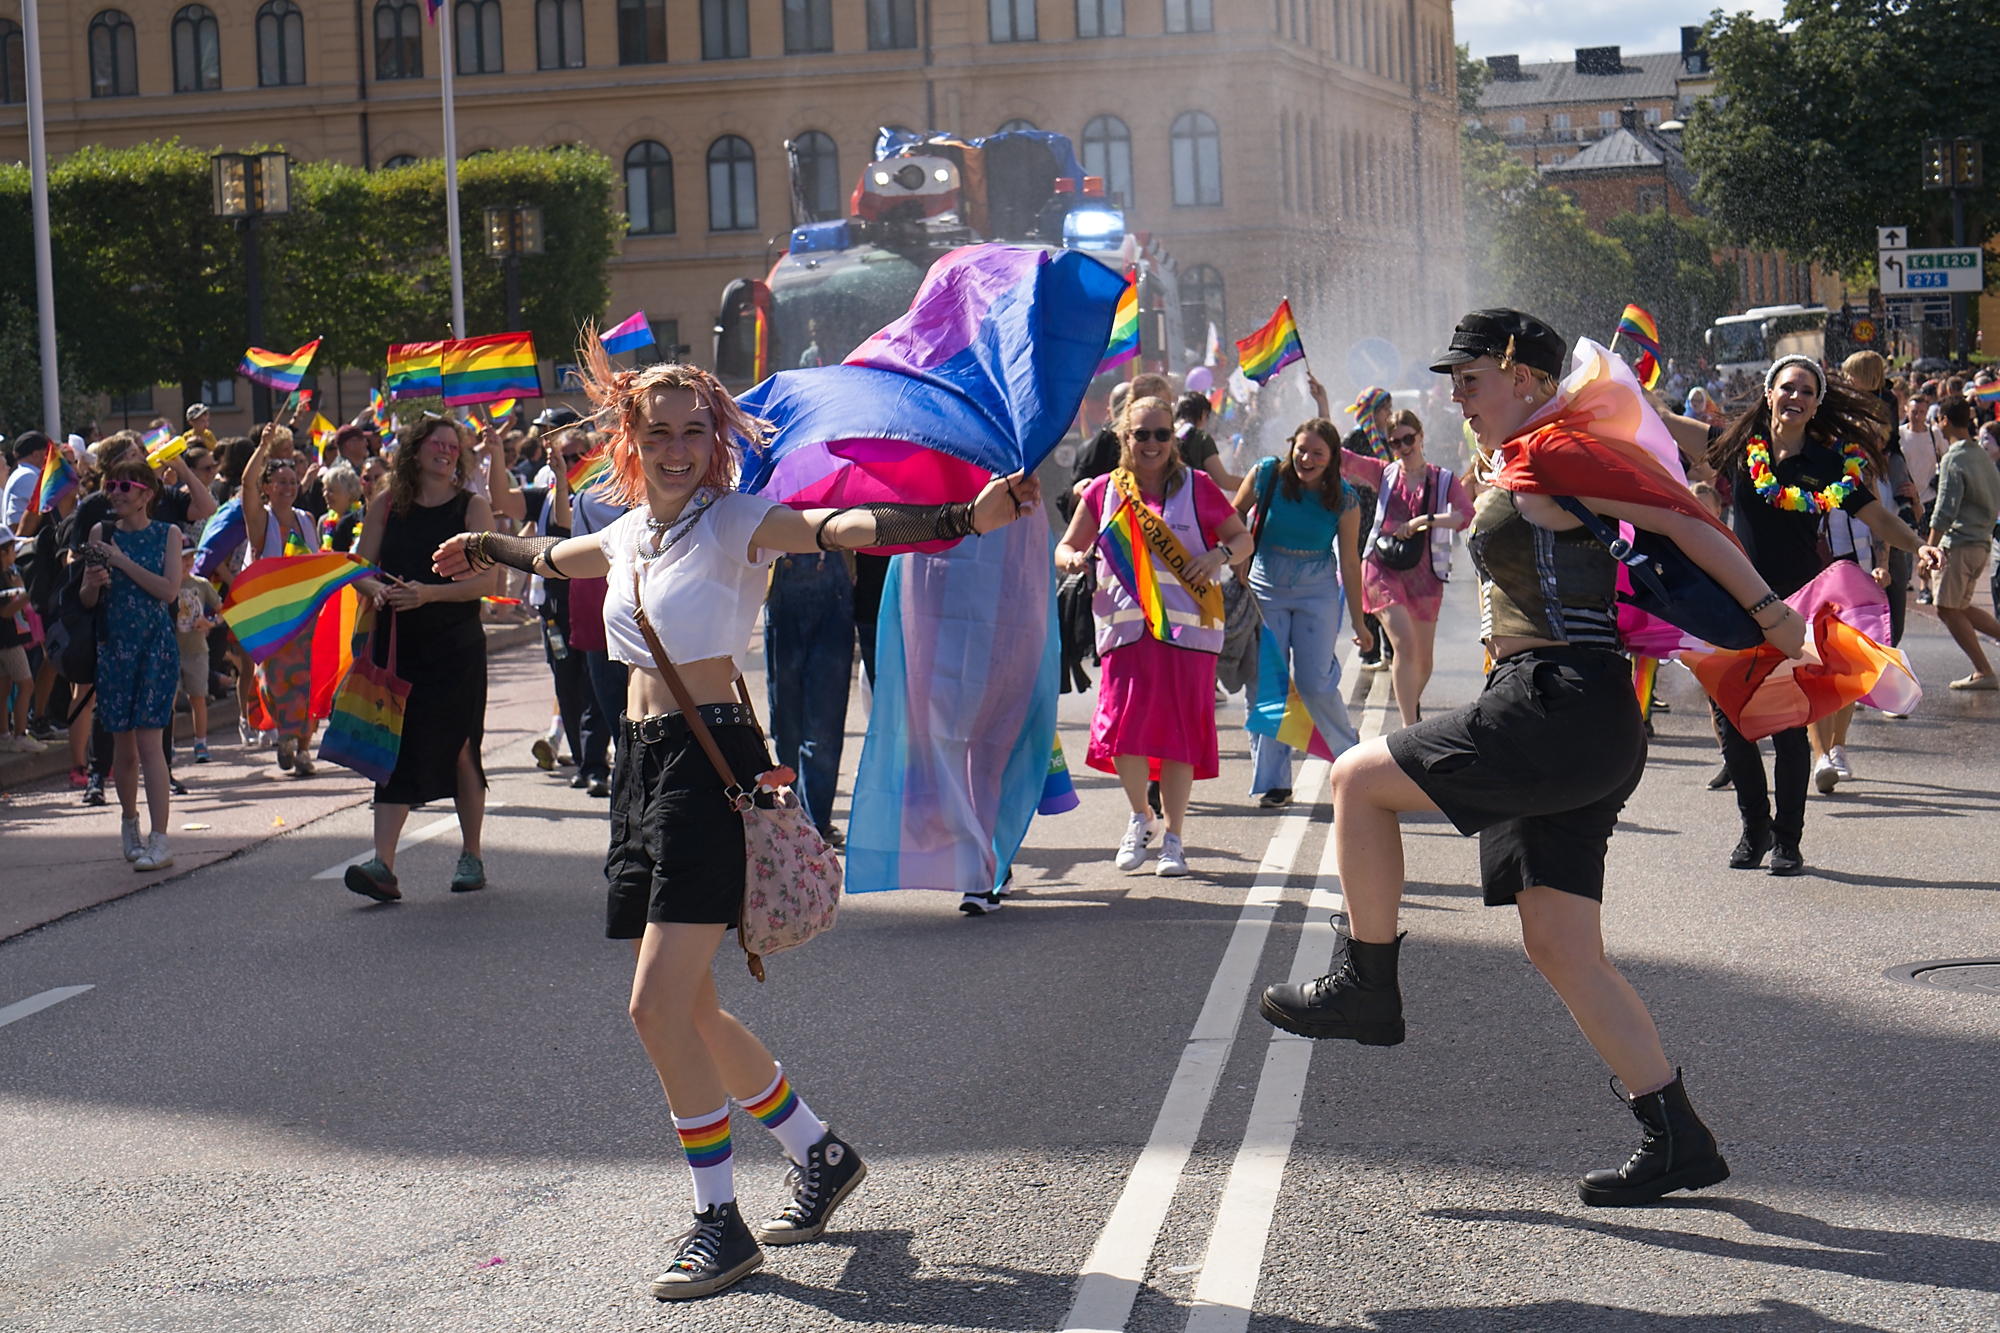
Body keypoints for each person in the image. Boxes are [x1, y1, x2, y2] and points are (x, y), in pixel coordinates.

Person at [433, 349, 1044, 1300]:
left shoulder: (738, 522)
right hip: (639, 770)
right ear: (629, 442)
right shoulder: (632, 530)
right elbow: (552, 559)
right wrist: (483, 551)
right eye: (658, 431)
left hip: (706, 767)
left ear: (718, 438)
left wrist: (966, 517)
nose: (678, 447)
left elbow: (843, 527)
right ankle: (817, 1149)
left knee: (653, 1005)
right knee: (693, 1005)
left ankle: (720, 1220)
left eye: (693, 429)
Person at [1261, 309, 1810, 1208]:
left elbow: (1683, 520)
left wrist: (1771, 613)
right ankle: (1676, 1134)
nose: (1455, 397)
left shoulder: (1553, 449)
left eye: (1469, 379)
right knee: (1560, 943)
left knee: (1357, 778)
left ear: (1522, 374)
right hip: (1578, 715)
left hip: (1561, 698)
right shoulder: (1529, 454)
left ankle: (1367, 981)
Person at [1707, 355, 1932, 872]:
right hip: (1735, 601)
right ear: (1769, 393)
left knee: (1788, 727)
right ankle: (1754, 828)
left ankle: (1787, 840)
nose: (1797, 396)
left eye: (1807, 391)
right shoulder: (1743, 449)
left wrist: (1918, 546)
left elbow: (1878, 518)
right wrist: (1630, 396)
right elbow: (1678, 432)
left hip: (1795, 606)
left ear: (1815, 404)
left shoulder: (1830, 465)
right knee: (1734, 726)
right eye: (1788, 387)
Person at [1054, 395, 1252, 877]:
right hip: (1126, 630)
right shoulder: (1103, 490)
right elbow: (1064, 547)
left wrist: (1218, 556)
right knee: (1124, 731)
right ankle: (1140, 816)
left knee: (1180, 736)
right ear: (1124, 438)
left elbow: (1242, 537)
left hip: (1187, 633)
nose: (1152, 443)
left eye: (1162, 434)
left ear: (1173, 440)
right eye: (1141, 434)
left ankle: (1175, 840)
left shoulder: (1198, 486)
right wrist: (1074, 560)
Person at [346, 415, 498, 898]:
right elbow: (359, 565)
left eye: (454, 446)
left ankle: (470, 854)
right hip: (398, 644)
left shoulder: (473, 508)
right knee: (395, 749)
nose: (448, 451)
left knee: (459, 747)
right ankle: (382, 866)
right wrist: (373, 587)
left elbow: (486, 583)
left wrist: (427, 594)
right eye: (437, 443)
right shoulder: (386, 505)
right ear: (414, 452)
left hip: (455, 646)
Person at [1231, 417, 1371, 804]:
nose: (1306, 458)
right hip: (1264, 589)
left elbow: (1351, 563)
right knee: (1268, 683)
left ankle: (1354, 762)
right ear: (1291, 444)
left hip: (1317, 594)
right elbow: (1230, 517)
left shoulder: (1344, 499)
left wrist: (1359, 622)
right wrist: (1235, 554)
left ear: (1332, 460)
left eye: (1317, 454)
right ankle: (1274, 781)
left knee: (1314, 682)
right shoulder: (1266, 475)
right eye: (1301, 449)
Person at [1318, 383, 1474, 727]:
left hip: (1425, 573)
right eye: (1395, 442)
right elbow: (1338, 456)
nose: (1402, 447)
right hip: (1382, 567)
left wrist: (1423, 521)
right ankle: (1409, 728)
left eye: (1408, 439)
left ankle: (1410, 705)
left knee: (1424, 661)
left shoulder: (1443, 479)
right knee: (1403, 645)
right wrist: (1324, 406)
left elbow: (1465, 515)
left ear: (1420, 437)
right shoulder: (1384, 472)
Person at [79, 456, 184, 872]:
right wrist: (91, 583)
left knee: (148, 744)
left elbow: (169, 591)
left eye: (125, 486)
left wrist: (120, 562)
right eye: (111, 485)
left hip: (155, 649)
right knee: (123, 751)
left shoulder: (168, 533)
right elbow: (88, 601)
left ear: (147, 493)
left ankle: (161, 841)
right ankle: (130, 825)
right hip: (114, 648)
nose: (116, 493)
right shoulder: (99, 532)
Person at [241, 429, 324, 777]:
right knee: (275, 682)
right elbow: (246, 485)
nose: (288, 487)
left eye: (293, 481)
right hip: (273, 620)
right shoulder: (262, 520)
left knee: (310, 682)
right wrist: (262, 447)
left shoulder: (307, 520)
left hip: (306, 617)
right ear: (267, 488)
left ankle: (302, 748)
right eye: (280, 482)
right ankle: (283, 737)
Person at [1925, 394, 2000, 690]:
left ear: (1945, 420)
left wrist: (1928, 550)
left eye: (1938, 421)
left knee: (1945, 607)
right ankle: (1984, 669)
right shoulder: (1982, 455)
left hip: (1959, 544)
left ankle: (1984, 670)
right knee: (1961, 606)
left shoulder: (1954, 457)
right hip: (1981, 543)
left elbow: (1944, 511)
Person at [174, 554, 223, 765]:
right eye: (182, 557)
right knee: (170, 701)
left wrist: (211, 622)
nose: (187, 561)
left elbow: (224, 610)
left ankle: (201, 743)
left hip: (197, 651)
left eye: (190, 557)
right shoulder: (165, 584)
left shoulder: (201, 584)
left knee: (198, 697)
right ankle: (169, 744)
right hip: (171, 652)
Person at [0, 526, 43, 752]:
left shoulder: (9, 573)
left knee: (4, 685)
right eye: (11, 550)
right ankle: (19, 735)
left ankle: (5, 735)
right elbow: (5, 611)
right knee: (26, 685)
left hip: (6, 641)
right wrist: (27, 593)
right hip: (8, 642)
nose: (15, 554)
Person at [3, 432, 49, 531]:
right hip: (26, 545)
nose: (49, 459)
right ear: (36, 455)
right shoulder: (29, 476)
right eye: (47, 453)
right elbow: (15, 523)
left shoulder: (20, 474)